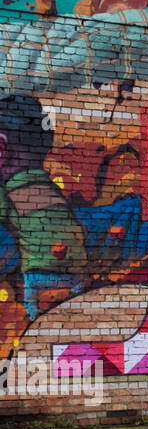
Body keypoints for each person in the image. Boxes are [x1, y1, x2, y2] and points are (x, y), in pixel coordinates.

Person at [0, 94, 89, 319]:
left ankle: (33, 320)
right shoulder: (48, 187)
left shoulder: (7, 192)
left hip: (39, 276)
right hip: (76, 274)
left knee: (33, 317)